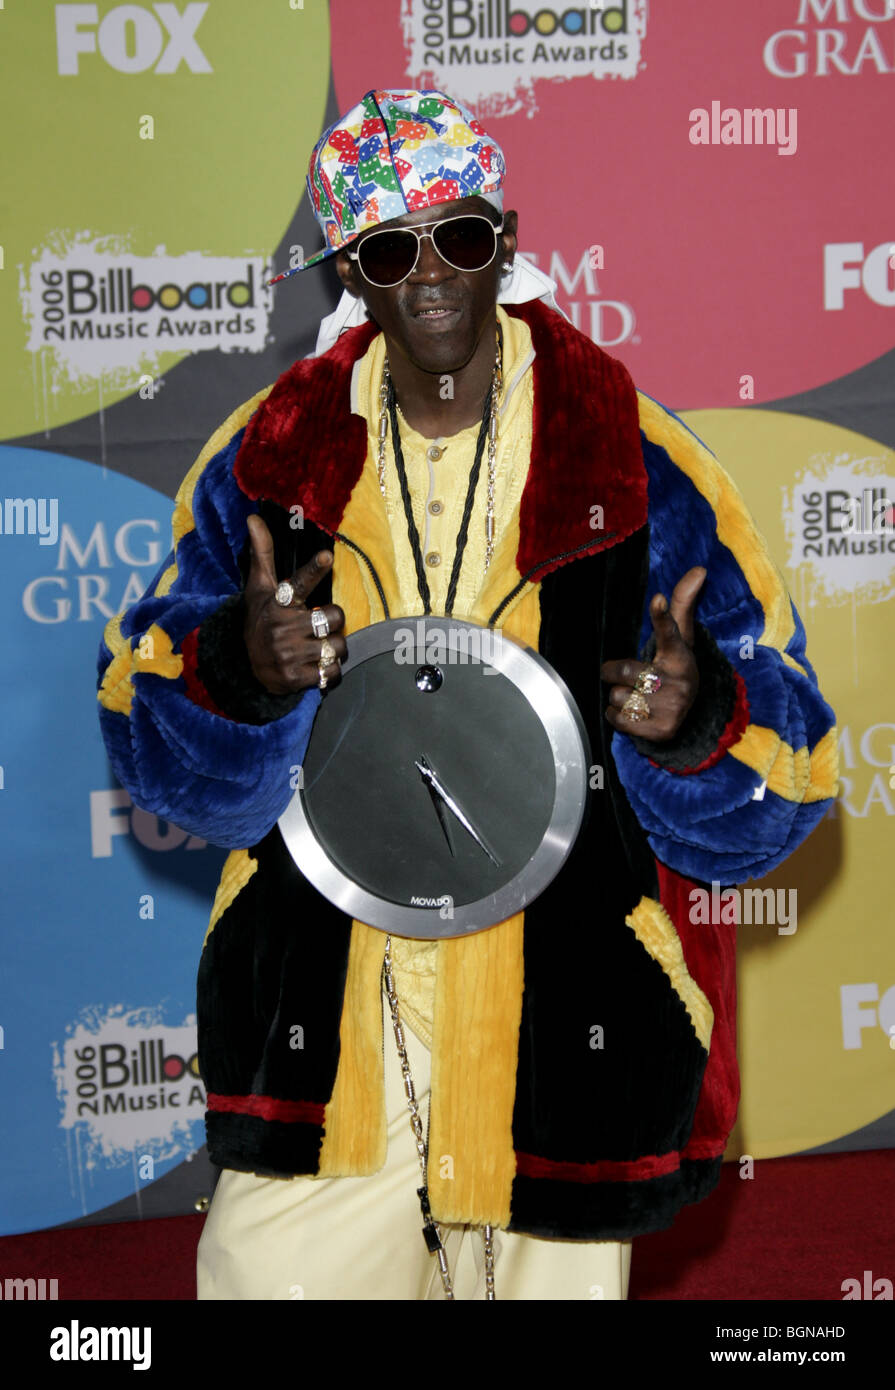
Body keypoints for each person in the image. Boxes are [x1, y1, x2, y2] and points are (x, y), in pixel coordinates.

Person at [96, 88, 838, 1301]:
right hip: (332, 1010)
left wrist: (702, 722)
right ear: (348, 267)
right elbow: (148, 719)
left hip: (563, 1012)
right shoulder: (268, 460)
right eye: (390, 248)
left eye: (461, 236)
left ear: (506, 235)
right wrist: (238, 668)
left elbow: (792, 770)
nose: (430, 275)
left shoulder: (642, 466)